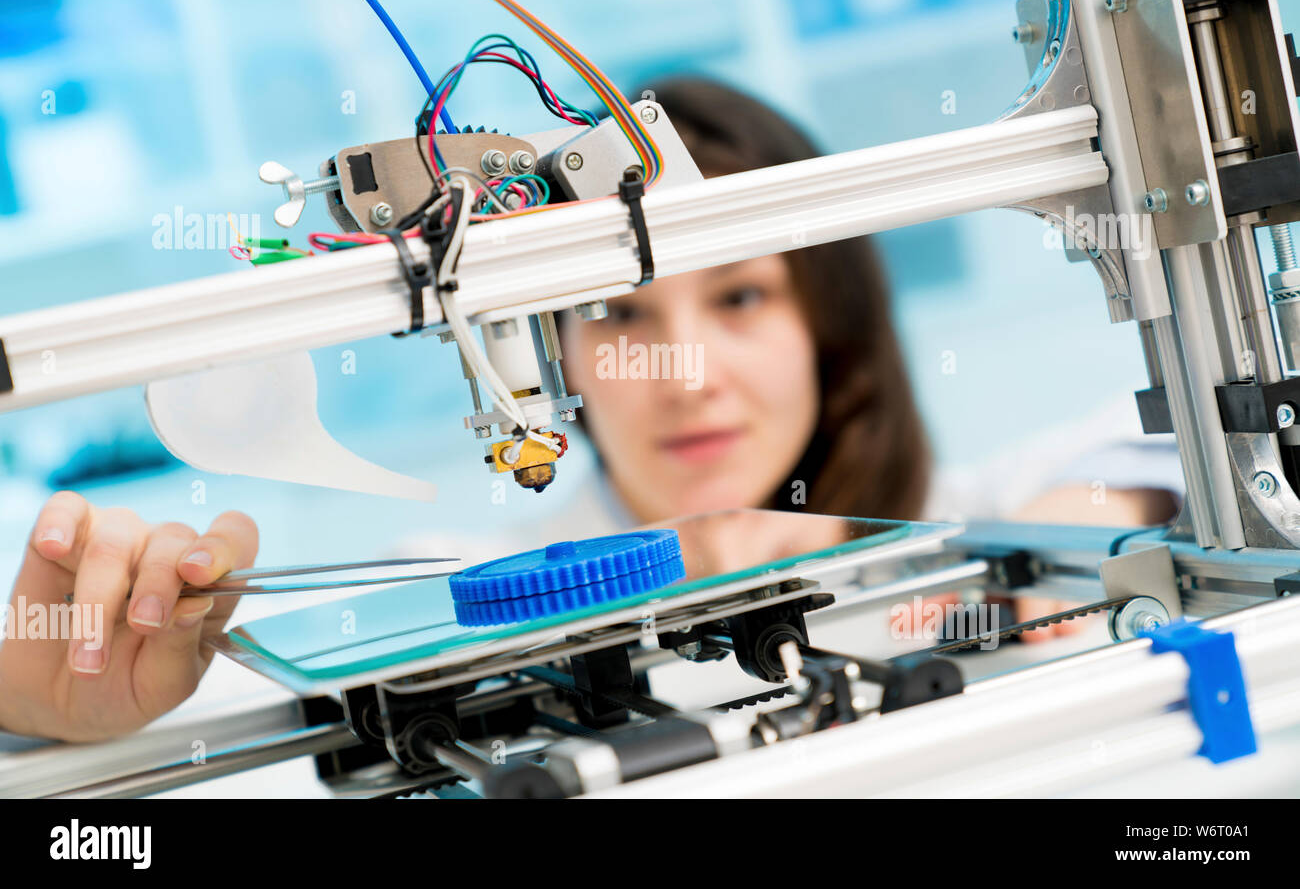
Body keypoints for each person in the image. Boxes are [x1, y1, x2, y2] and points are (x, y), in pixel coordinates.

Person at [0, 77, 1177, 743]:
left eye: (742, 296)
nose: (690, 371)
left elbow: (1192, 463)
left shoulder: (979, 525)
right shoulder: (459, 594)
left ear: (829, 324)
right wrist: (43, 709)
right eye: (620, 315)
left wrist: (1091, 527)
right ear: (549, 357)